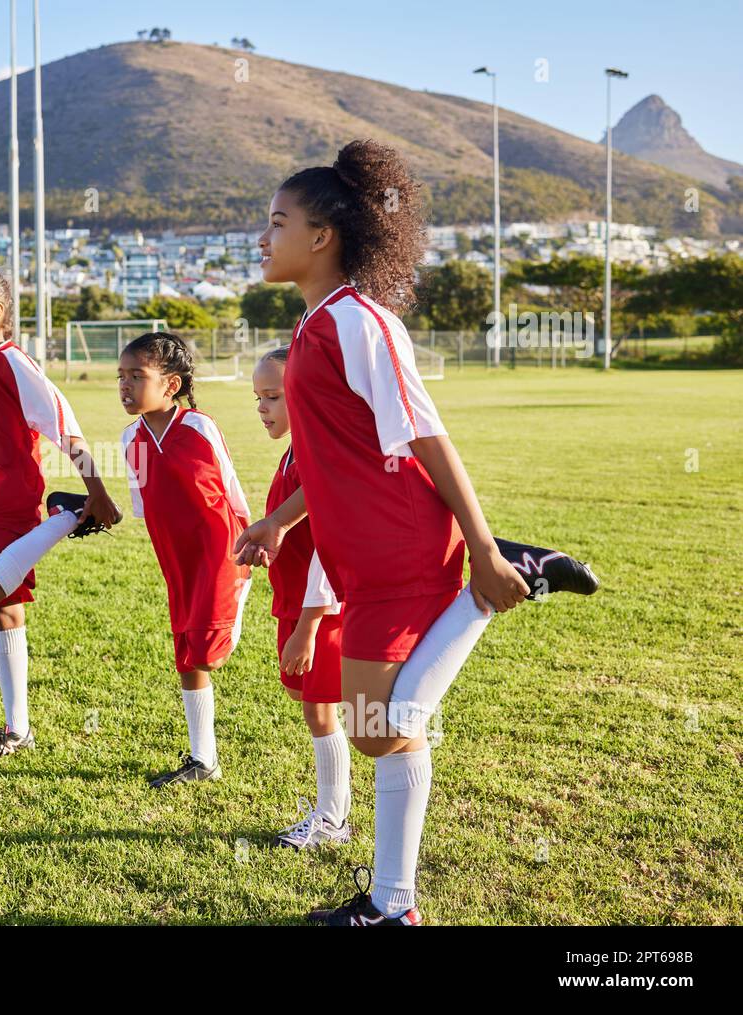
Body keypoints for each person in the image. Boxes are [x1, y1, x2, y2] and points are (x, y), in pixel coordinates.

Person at [237, 139, 598, 925]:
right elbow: (333, 461)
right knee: (393, 735)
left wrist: (485, 546)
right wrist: (276, 520)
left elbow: (428, 436)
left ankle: (502, 583)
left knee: (374, 730)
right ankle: (392, 906)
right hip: (361, 555)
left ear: (322, 236)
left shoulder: (361, 322)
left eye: (277, 222)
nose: (263, 239)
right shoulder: (311, 329)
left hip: (400, 542)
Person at [0, 266, 120, 757]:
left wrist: (97, 491)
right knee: (4, 608)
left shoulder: (13, 363)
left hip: (10, 498)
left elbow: (65, 427)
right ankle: (17, 729)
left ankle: (71, 514)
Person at [118, 332, 252, 787]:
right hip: (176, 561)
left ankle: (236, 601)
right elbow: (145, 506)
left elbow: (232, 491)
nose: (125, 385)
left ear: (171, 385)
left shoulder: (199, 428)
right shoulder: (130, 440)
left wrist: (250, 542)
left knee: (209, 653)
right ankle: (203, 759)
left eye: (137, 376)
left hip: (222, 552)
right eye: (121, 376)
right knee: (187, 657)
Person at [251, 346, 351, 849]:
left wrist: (309, 627)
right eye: (258, 397)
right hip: (292, 602)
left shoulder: (319, 453)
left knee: (321, 711)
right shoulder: (295, 451)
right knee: (306, 701)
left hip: (318, 610)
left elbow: (332, 548)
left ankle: (332, 820)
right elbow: (293, 533)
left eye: (273, 396)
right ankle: (330, 810)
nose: (263, 407)